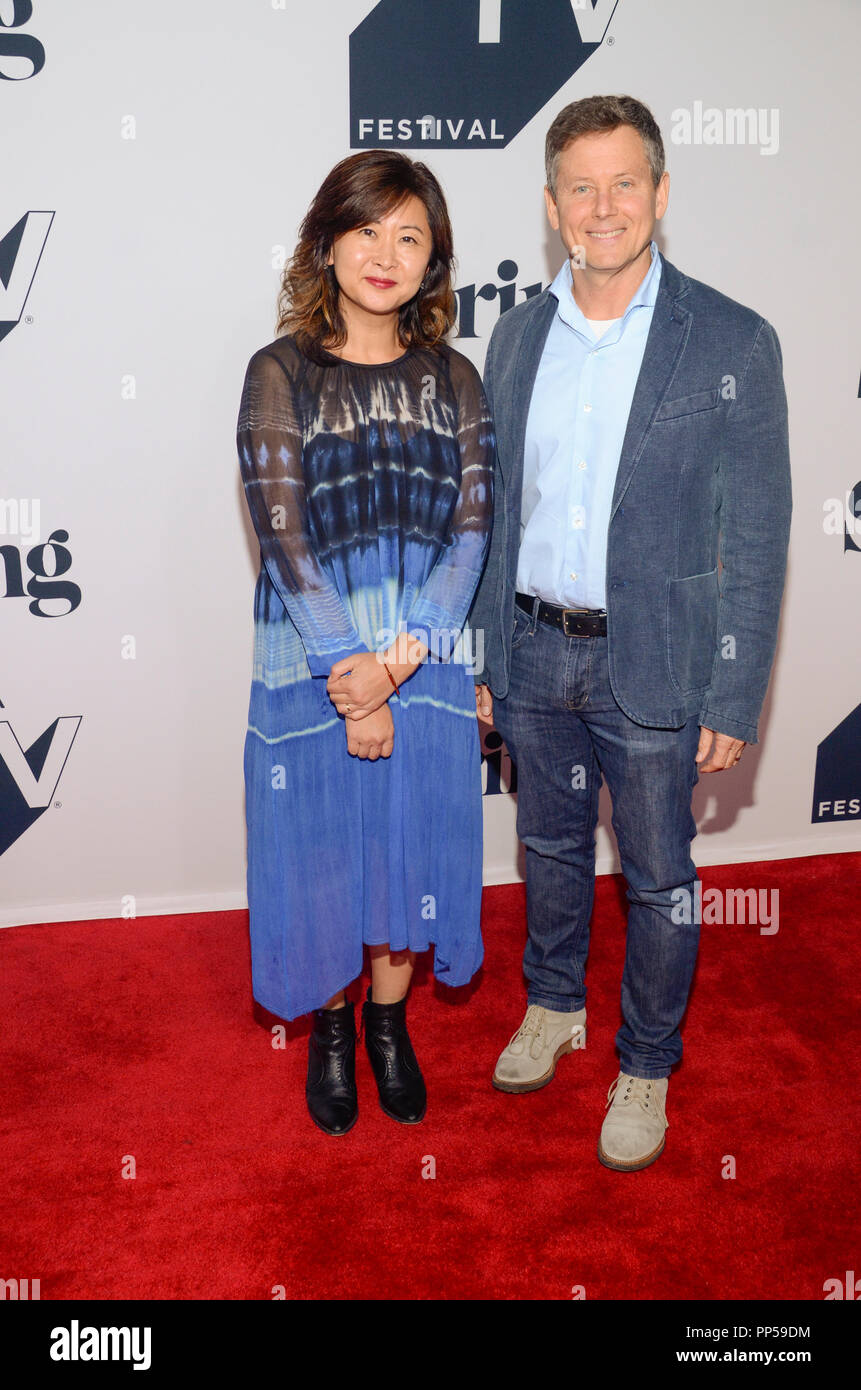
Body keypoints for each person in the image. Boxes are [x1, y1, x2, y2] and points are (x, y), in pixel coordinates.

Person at [469, 95, 791, 1171]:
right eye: (579, 187)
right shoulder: (514, 336)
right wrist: (486, 652)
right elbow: (497, 510)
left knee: (659, 875)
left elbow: (756, 534)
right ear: (553, 207)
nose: (601, 207)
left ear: (660, 193)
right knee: (549, 846)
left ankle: (647, 1060)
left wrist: (735, 696)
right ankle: (554, 1004)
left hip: (652, 660)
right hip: (531, 650)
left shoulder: (735, 338)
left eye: (623, 183)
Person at [237, 149, 493, 1136]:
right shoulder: (281, 372)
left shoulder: (455, 379)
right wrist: (354, 675)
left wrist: (396, 667)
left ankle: (391, 1025)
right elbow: (282, 530)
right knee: (328, 854)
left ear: (432, 264)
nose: (385, 253)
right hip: (311, 666)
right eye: (368, 229)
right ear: (329, 239)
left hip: (422, 669)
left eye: (410, 236)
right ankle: (335, 1032)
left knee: (405, 853)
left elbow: (472, 530)